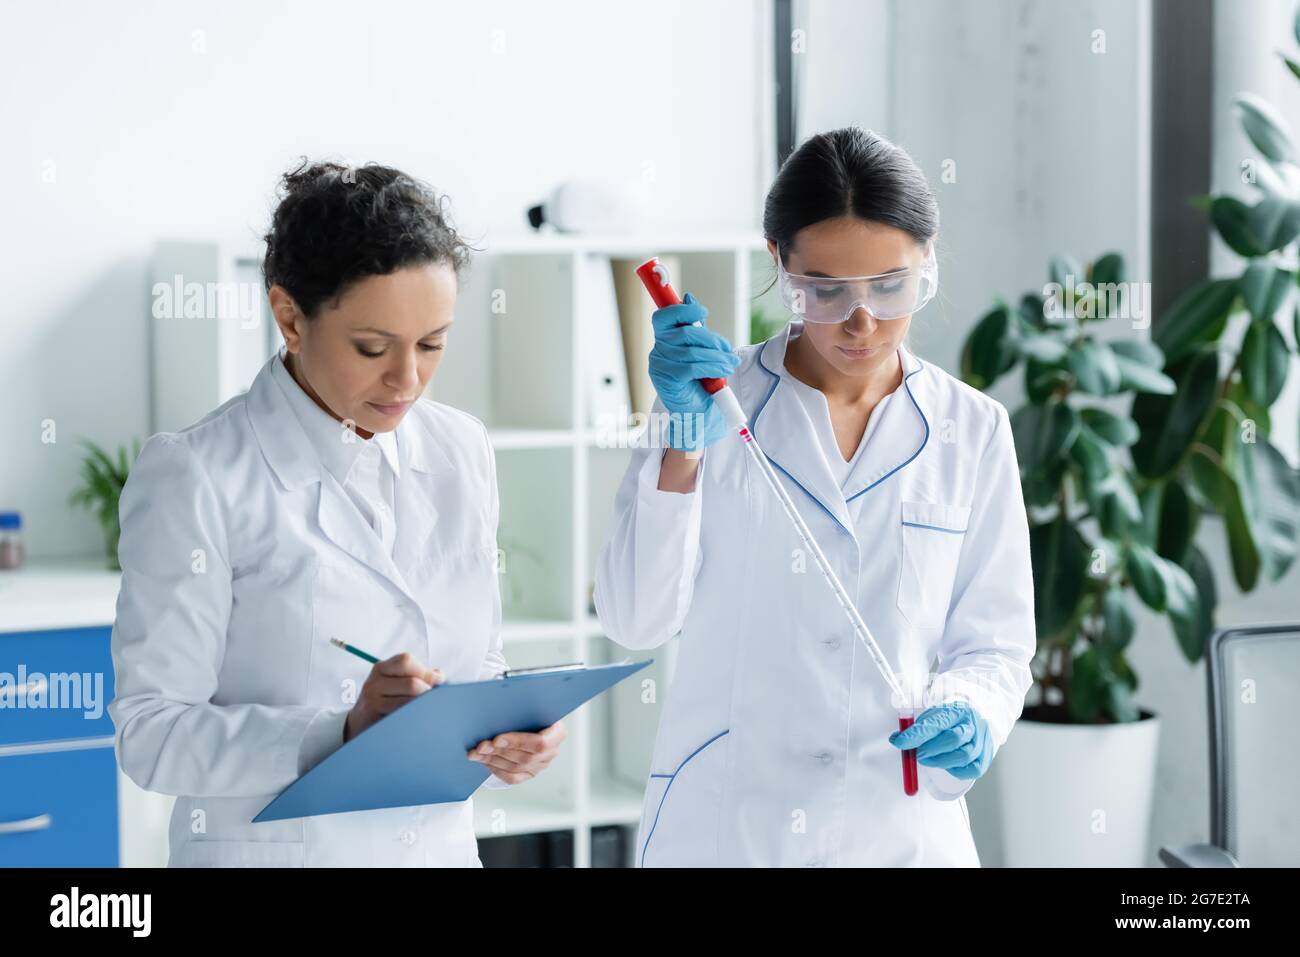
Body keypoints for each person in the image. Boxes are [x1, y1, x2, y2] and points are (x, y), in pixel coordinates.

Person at [594, 128, 1035, 867]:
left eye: (890, 286)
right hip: (731, 827)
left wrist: (972, 706)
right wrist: (680, 439)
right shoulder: (708, 404)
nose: (861, 322)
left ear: (926, 260)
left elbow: (995, 641)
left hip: (899, 827)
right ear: (780, 266)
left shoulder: (974, 429)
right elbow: (635, 618)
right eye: (826, 291)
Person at [111, 161, 564, 867]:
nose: (407, 379)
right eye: (372, 348)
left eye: (433, 343)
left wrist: (512, 729)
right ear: (290, 317)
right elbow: (151, 734)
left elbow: (477, 659)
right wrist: (343, 730)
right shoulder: (198, 473)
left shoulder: (461, 449)